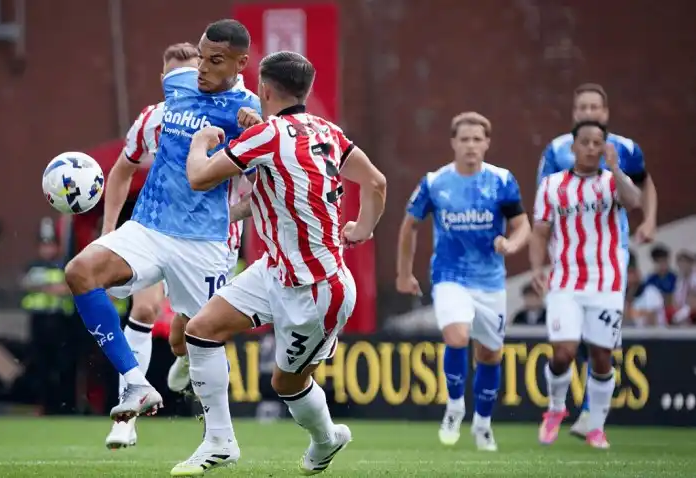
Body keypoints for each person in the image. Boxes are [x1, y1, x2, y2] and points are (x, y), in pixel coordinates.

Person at [172, 50, 387, 476]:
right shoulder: (328, 131)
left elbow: (199, 177)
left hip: (317, 289)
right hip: (275, 269)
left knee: (285, 383)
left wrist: (199, 145)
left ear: (265, 89)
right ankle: (219, 441)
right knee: (200, 330)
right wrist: (362, 228)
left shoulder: (266, 136)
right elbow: (376, 182)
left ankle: (326, 439)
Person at [63, 19, 261, 424]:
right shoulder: (171, 96)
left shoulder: (249, 115)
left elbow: (263, 188)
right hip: (150, 227)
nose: (201, 69)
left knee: (185, 339)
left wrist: (234, 208)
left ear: (240, 64)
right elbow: (122, 168)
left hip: (207, 241)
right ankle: (136, 384)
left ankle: (207, 406)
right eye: (199, 58)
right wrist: (108, 234)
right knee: (81, 272)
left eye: (214, 61)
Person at [396, 112, 531, 452]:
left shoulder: (502, 181)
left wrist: (512, 245)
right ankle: (455, 406)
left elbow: (522, 224)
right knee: (456, 336)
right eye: (464, 139)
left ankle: (483, 425)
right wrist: (403, 273)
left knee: (489, 355)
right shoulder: (435, 182)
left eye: (477, 139)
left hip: (490, 281)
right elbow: (409, 225)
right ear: (453, 143)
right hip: (449, 276)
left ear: (486, 143)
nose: (471, 145)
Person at [537, 83, 658, 438]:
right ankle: (562, 411)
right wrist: (545, 259)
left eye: (595, 107)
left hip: (611, 257)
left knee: (601, 344)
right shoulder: (558, 150)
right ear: (574, 113)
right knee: (567, 346)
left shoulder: (625, 148)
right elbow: (543, 205)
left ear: (605, 113)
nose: (589, 112)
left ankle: (592, 417)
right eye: (583, 107)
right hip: (569, 262)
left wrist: (650, 220)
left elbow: (644, 185)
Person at [21, 220, 79, 415]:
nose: (47, 249)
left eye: (50, 244)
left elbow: (68, 289)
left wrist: (48, 288)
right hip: (39, 321)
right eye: (44, 245)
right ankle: (45, 406)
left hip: (61, 321)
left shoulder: (65, 264)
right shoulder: (32, 266)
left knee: (64, 367)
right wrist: (51, 289)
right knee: (41, 366)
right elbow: (26, 285)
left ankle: (66, 407)